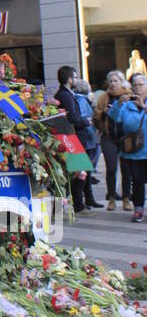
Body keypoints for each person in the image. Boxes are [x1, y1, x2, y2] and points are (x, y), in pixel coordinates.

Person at [55, 65, 95, 214]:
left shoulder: (63, 94)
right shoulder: (66, 95)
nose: (77, 80)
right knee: (79, 172)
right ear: (70, 79)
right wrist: (85, 121)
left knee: (76, 172)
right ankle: (78, 205)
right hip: (69, 138)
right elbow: (73, 118)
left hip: (68, 137)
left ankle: (76, 204)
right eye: (76, 77)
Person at [109, 73, 147, 223]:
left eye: (141, 85)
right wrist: (118, 104)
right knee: (137, 181)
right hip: (134, 151)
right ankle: (138, 209)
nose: (138, 88)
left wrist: (144, 107)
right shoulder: (126, 103)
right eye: (135, 85)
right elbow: (114, 117)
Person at [94, 71, 133, 211]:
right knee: (111, 168)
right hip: (108, 136)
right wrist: (104, 112)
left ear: (122, 82)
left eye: (116, 81)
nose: (113, 83)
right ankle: (111, 198)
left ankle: (126, 199)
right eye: (110, 81)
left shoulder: (129, 95)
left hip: (125, 137)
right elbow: (96, 115)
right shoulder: (104, 97)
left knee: (126, 169)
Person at [72, 78, 102, 209]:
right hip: (87, 140)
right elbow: (87, 121)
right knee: (86, 172)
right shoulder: (82, 100)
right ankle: (87, 199)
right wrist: (93, 136)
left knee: (86, 171)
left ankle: (88, 198)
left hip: (86, 139)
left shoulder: (79, 99)